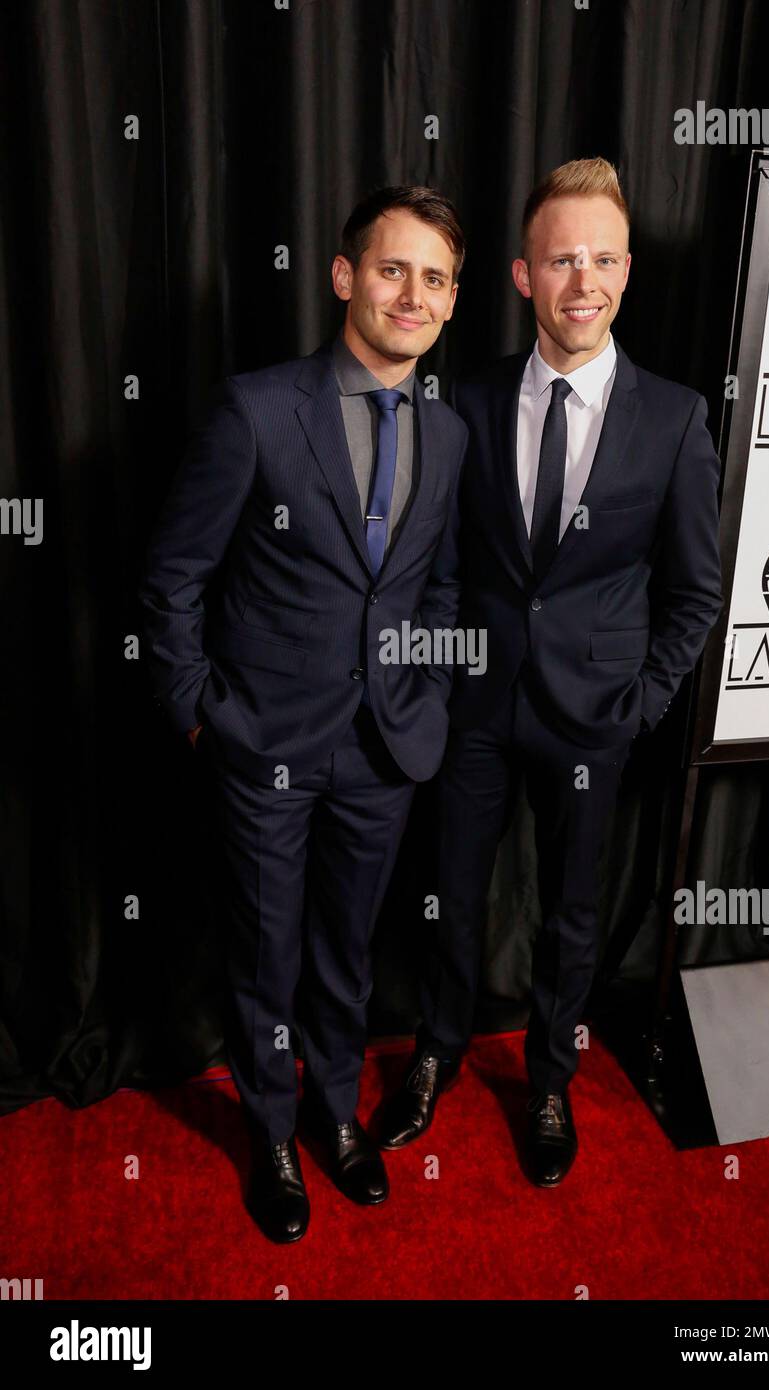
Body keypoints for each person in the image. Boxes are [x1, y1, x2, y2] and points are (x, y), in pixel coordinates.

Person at [380, 158, 723, 1186]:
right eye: (562, 258)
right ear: (524, 274)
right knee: (450, 891)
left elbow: (694, 589)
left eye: (604, 258)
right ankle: (436, 1051)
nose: (585, 281)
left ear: (625, 270)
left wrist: (639, 704)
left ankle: (546, 1080)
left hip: (592, 718)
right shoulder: (466, 395)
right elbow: (431, 561)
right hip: (475, 707)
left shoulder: (673, 419)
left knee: (573, 911)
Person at [138, 186, 468, 1241]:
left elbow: (443, 587)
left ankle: (335, 1114)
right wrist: (197, 711)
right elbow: (172, 576)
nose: (409, 294)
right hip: (262, 746)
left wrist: (427, 688)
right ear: (342, 275)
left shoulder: (451, 436)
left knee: (346, 948)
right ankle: (272, 1130)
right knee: (266, 948)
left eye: (433, 278)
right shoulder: (256, 410)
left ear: (454, 300)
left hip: (385, 747)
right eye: (390, 269)